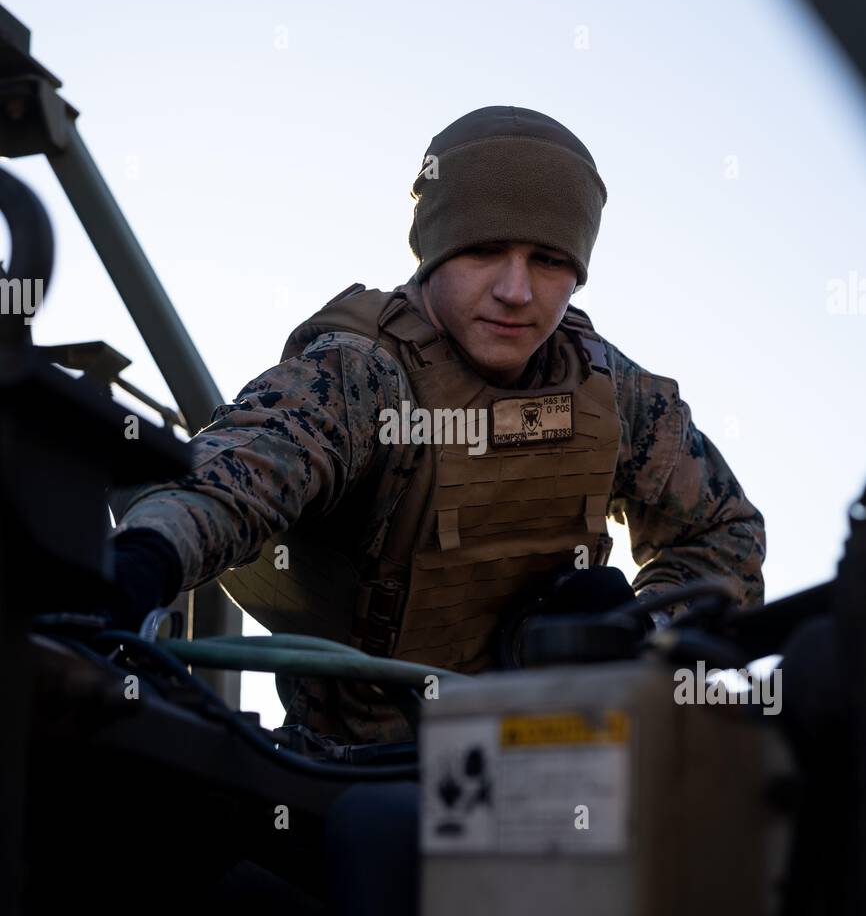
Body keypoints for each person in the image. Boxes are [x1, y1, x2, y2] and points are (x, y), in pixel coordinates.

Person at [109, 106, 765, 750]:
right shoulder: (363, 371)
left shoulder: (608, 389)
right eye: (484, 250)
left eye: (547, 260)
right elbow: (238, 472)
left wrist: (643, 639)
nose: (515, 290)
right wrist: (142, 561)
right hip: (356, 772)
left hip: (551, 758)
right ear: (432, 251)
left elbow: (722, 533)